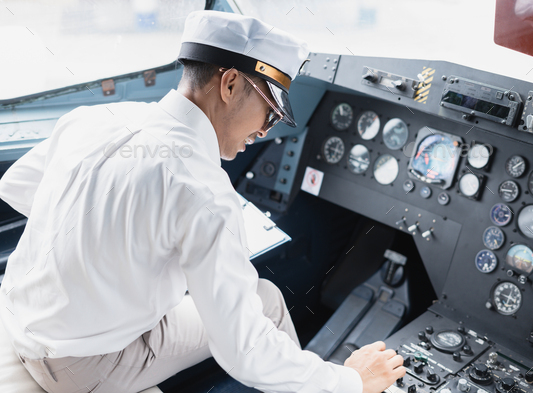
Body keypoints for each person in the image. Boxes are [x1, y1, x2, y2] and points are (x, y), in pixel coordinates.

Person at [0, 10, 405, 393]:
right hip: (78, 365)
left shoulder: (97, 117)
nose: (264, 131)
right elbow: (245, 351)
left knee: (252, 297)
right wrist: (351, 380)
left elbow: (17, 186)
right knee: (266, 307)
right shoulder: (204, 191)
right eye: (270, 111)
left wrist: (104, 250)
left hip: (21, 322)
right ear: (229, 84)